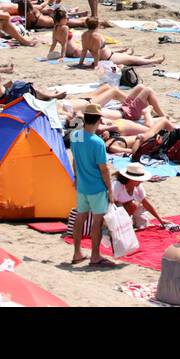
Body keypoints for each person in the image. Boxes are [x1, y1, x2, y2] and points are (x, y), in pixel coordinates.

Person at [69, 105, 116, 268]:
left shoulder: (76, 136)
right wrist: (110, 190)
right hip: (96, 188)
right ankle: (95, 256)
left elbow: (75, 159)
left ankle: (77, 252)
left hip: (82, 186)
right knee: (96, 223)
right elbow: (103, 169)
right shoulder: (98, 142)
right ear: (98, 120)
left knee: (80, 218)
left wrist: (76, 177)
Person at [111, 163, 166, 229]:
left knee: (142, 224)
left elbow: (146, 203)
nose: (141, 181)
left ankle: (129, 221)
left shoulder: (138, 186)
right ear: (130, 179)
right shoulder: (117, 185)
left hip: (128, 210)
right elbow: (110, 204)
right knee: (132, 205)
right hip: (116, 209)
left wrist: (160, 219)